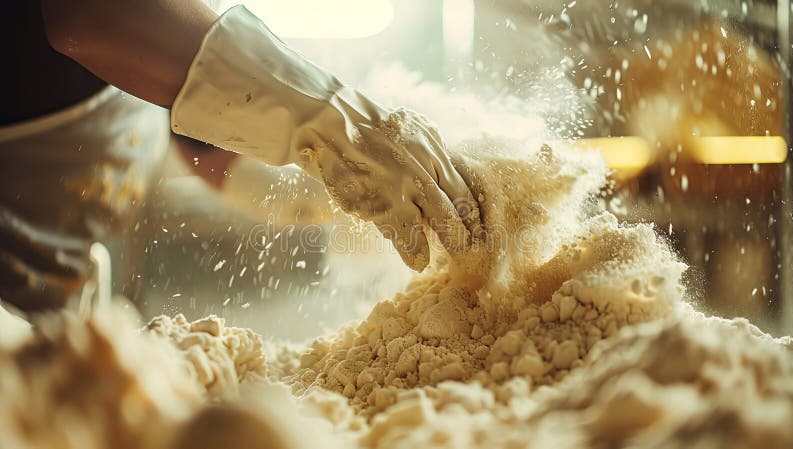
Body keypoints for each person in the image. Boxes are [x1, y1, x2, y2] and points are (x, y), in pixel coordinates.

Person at [0, 0, 480, 312]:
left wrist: (313, 185)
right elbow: (90, 15)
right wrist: (329, 121)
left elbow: (202, 141)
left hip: (51, 308)